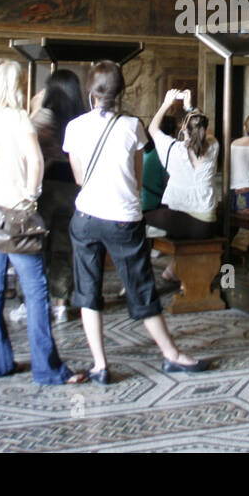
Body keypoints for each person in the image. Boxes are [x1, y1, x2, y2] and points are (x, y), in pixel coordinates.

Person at [62, 61, 208, 383]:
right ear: (121, 91)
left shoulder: (74, 127)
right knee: (141, 289)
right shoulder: (132, 126)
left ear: (91, 90)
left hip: (85, 216)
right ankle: (171, 355)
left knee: (88, 291)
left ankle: (100, 365)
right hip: (122, 219)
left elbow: (78, 178)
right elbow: (138, 178)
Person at [0, 59, 88, 383]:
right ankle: (48, 370)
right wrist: (30, 194)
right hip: (16, 212)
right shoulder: (18, 118)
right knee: (36, 291)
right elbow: (34, 159)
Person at [29, 69, 87, 323]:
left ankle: (35, 300)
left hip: (46, 186)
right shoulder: (83, 119)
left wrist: (33, 109)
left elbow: (25, 146)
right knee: (64, 247)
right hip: (74, 188)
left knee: (36, 246)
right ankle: (61, 302)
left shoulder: (44, 116)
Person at [146, 91, 219, 283]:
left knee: (139, 220)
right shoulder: (213, 146)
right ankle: (173, 268)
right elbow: (203, 128)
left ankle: (141, 274)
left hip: (179, 222)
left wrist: (166, 103)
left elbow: (153, 128)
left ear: (182, 127)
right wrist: (189, 107)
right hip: (206, 224)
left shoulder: (172, 149)